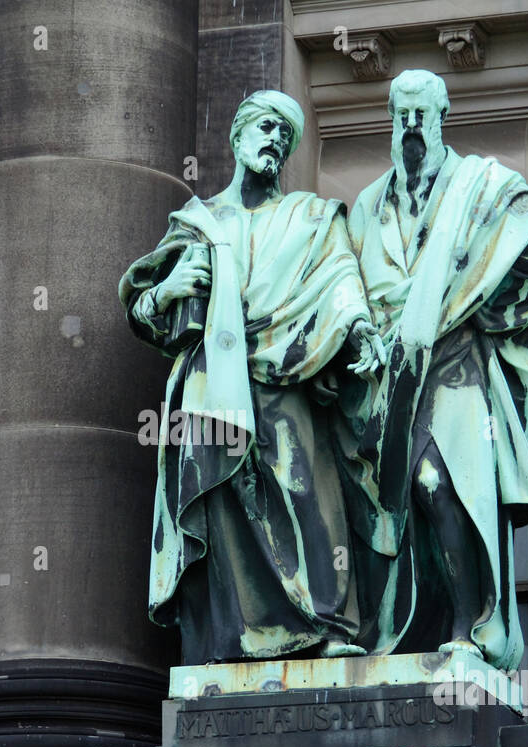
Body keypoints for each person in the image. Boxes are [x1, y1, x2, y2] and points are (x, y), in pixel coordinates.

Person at [119, 90, 385, 665]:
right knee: (221, 503)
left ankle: (326, 626)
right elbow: (146, 308)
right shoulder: (197, 221)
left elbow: (340, 278)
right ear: (237, 137)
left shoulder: (311, 218)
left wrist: (360, 328)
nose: (274, 142)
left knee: (304, 491)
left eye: (285, 138)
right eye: (266, 129)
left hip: (287, 379)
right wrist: (167, 291)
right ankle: (231, 640)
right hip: (211, 382)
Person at [338, 70, 528, 671]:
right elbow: (349, 286)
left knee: (440, 482)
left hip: (456, 366)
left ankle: (473, 625)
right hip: (388, 379)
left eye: (423, 114)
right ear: (391, 122)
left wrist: (473, 297)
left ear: (443, 117)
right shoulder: (368, 204)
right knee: (383, 503)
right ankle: (395, 632)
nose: (412, 126)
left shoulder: (483, 184)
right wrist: (361, 333)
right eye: (402, 115)